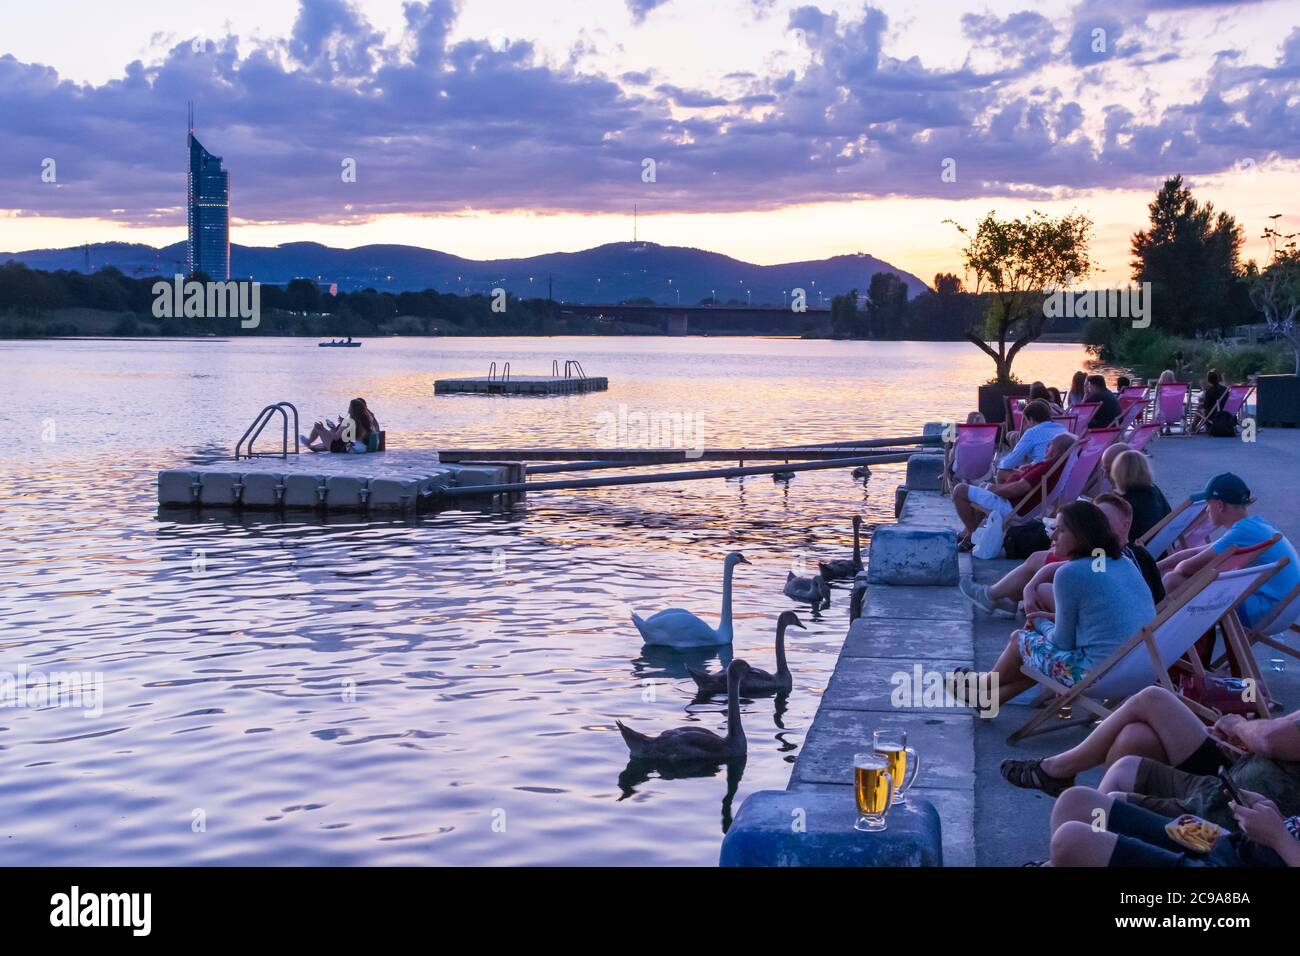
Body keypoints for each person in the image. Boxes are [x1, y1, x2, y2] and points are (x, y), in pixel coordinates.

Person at [1000, 685, 1300, 805]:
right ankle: (1100, 837)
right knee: (1135, 737)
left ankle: (1058, 771)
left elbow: (1276, 739)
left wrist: (1239, 726)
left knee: (1152, 699)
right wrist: (1245, 739)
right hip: (1244, 768)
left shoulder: (1073, 574)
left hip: (1244, 792)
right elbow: (1283, 734)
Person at [982, 500, 1156, 705]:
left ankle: (981, 685)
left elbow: (1062, 642)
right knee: (1039, 654)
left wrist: (1038, 621)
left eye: (1061, 530)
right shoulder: (1121, 562)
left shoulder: (1070, 574)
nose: (1052, 535)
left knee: (1020, 640)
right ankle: (988, 699)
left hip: (1096, 676)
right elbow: (1101, 624)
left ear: (1081, 535)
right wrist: (1046, 615)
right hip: (1141, 669)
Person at [961, 492, 1164, 619]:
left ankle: (995, 596)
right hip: (1132, 635)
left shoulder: (1112, 559)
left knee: (1043, 584)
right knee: (1041, 569)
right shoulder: (1119, 557)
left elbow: (1080, 578)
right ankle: (1003, 597)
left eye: (1102, 520)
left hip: (1110, 639)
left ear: (1125, 525)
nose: (1096, 526)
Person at [1158, 473, 1300, 627]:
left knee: (1172, 580)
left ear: (1220, 506)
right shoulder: (1255, 526)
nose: (1206, 511)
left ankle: (1153, 638)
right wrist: (1155, 566)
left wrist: (1164, 570)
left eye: (1208, 504)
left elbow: (1184, 568)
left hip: (1266, 614)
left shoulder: (1242, 532)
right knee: (1178, 578)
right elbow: (1195, 552)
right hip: (1286, 610)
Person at [1043, 785, 1300, 867]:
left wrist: (1278, 837)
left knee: (1073, 840)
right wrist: (1274, 815)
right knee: (1077, 802)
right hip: (1232, 844)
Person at [952, 433, 1077, 546]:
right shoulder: (1056, 467)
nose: (1047, 445)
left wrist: (993, 488)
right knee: (981, 493)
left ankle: (972, 533)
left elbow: (1017, 490)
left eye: (1051, 444)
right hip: (1015, 504)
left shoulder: (1047, 468)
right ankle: (970, 536)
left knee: (960, 490)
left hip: (1012, 508)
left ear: (1059, 451)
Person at [1109, 450, 1171, 543]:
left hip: (1136, 552)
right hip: (1162, 547)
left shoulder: (1124, 501)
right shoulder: (1153, 491)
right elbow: (1169, 513)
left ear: (1118, 473)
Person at [997, 399, 1067, 476]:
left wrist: (998, 464)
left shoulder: (1032, 432)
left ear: (1031, 419)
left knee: (1001, 472)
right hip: (1061, 474)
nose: (1027, 425)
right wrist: (1032, 464)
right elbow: (1042, 455)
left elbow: (1010, 462)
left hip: (1043, 477)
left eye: (1026, 421)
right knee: (1022, 468)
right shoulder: (1062, 428)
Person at [302, 398, 381, 454]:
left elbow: (335, 437)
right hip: (348, 446)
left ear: (352, 409)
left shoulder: (348, 422)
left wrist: (323, 429)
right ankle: (314, 447)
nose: (348, 408)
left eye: (350, 406)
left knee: (317, 428)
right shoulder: (367, 422)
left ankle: (308, 442)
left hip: (337, 448)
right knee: (329, 432)